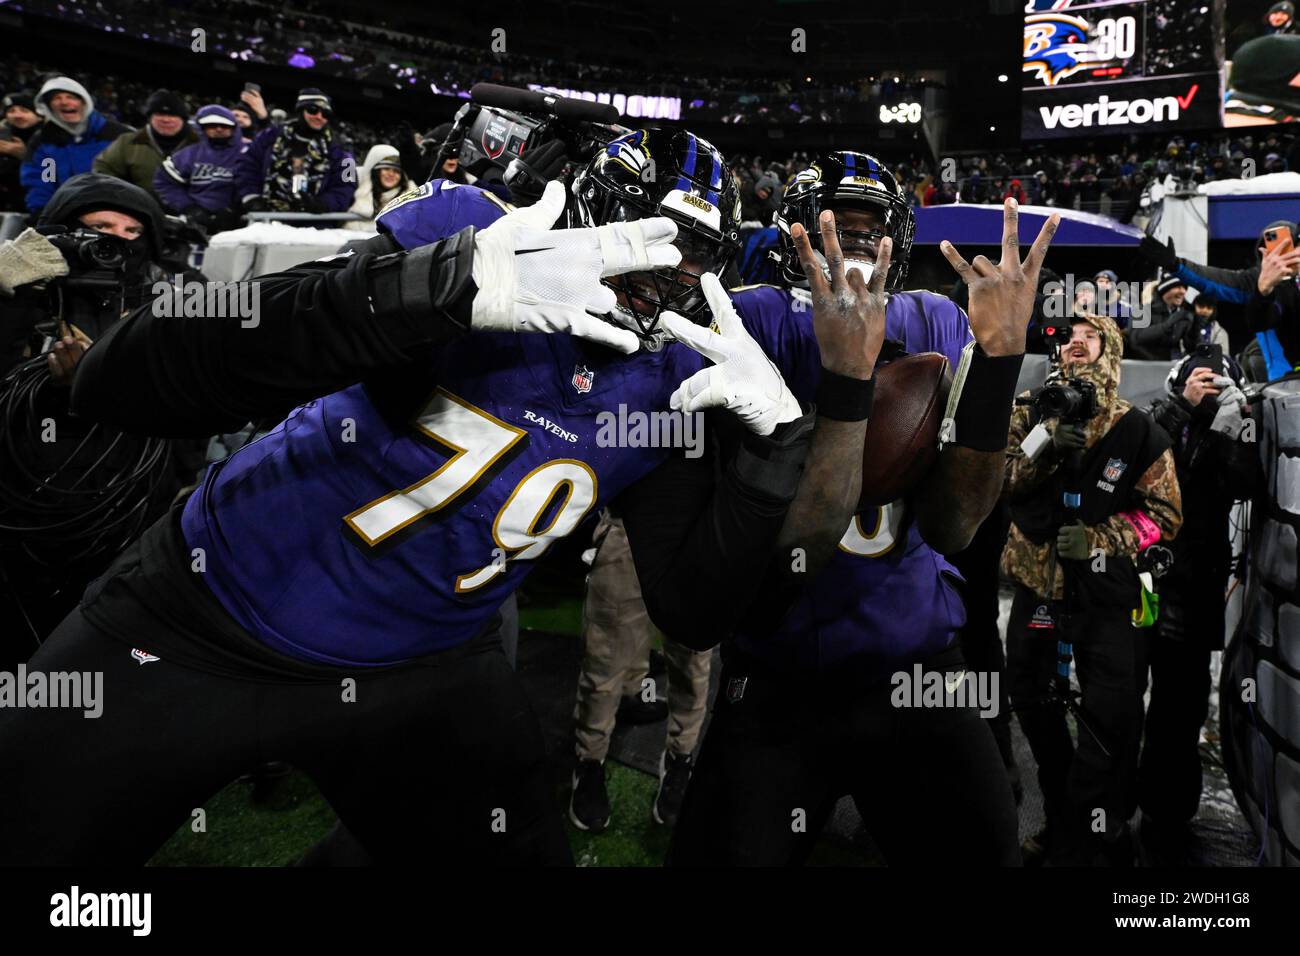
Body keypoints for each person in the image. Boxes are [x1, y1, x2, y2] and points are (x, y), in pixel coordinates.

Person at [0, 126, 868, 865]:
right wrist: (430, 292)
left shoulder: (679, 375)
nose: (664, 266)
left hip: (425, 668)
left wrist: (775, 453)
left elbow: (693, 610)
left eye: (693, 249)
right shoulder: (478, 244)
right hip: (204, 613)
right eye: (647, 231)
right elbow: (128, 377)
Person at [619, 152, 1057, 865]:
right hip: (780, 670)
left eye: (869, 231)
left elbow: (953, 527)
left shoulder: (934, 317)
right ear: (793, 233)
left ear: (899, 239)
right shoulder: (748, 317)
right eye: (834, 228)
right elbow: (798, 552)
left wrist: (1001, 357)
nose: (853, 249)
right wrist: (848, 379)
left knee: (986, 851)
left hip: (915, 664)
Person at [1004, 314, 1183, 866]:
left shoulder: (1138, 430)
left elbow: (1165, 517)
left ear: (1111, 351)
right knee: (1030, 698)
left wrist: (1103, 538)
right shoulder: (1032, 411)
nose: (1076, 342)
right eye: (1068, 337)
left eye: (1091, 335)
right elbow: (1003, 479)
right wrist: (1044, 442)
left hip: (1106, 601)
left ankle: (1091, 834)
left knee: (1111, 717)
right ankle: (1061, 814)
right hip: (1039, 592)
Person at [0, 173, 196, 666]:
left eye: (132, 232)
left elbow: (200, 400)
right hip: (28, 513)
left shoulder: (169, 300)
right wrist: (10, 292)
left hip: (130, 513)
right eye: (99, 226)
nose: (115, 242)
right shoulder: (26, 290)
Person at [1139, 350, 1256, 865]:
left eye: (1214, 382)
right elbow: (1151, 471)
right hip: (1144, 582)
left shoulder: (1233, 428)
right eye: (1196, 380)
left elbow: (1241, 485)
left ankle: (1167, 816)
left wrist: (1231, 430)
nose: (1204, 388)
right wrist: (1184, 410)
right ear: (1178, 382)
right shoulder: (1160, 415)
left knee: (1177, 710)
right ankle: (1115, 806)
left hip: (1193, 591)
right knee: (1119, 693)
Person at [569, 508, 712, 831]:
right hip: (627, 525)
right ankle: (588, 761)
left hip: (699, 535)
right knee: (603, 665)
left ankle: (680, 758)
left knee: (692, 664)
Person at [19, 76, 130, 214]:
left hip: (119, 213)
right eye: (57, 98)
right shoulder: (44, 141)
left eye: (70, 97)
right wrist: (43, 212)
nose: (64, 102)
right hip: (67, 214)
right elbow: (45, 180)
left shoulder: (119, 135)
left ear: (84, 102)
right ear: (48, 107)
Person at [235, 88, 356, 214]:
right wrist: (251, 196)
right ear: (300, 110)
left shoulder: (343, 150)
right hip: (266, 217)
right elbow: (246, 165)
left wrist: (323, 204)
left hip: (315, 224)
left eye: (325, 114)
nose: (319, 117)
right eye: (313, 110)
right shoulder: (270, 135)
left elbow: (347, 186)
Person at [154, 105, 246, 234]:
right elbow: (164, 182)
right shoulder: (188, 154)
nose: (219, 129)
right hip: (196, 224)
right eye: (212, 125)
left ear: (234, 127)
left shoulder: (249, 152)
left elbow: (258, 184)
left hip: (242, 222)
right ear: (202, 128)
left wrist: (237, 209)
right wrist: (189, 208)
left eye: (224, 125)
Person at [93, 89, 197, 195]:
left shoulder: (202, 144)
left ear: (183, 119)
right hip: (141, 209)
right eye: (159, 114)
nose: (166, 120)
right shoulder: (127, 142)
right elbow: (103, 169)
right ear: (150, 118)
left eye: (173, 115)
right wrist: (124, 197)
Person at [344, 144, 411, 231]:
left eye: (396, 171)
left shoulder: (409, 200)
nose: (391, 174)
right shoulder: (356, 191)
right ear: (376, 172)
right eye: (386, 169)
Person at [1126, 275, 1193, 360]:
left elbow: (1190, 346)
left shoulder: (1184, 312)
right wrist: (1166, 325)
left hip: (1172, 367)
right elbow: (1135, 338)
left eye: (1185, 288)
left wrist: (1195, 328)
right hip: (1144, 366)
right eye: (1178, 287)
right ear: (1165, 290)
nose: (1183, 291)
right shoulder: (1142, 309)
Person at [0, 92, 43, 212]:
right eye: (11, 111)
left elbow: (51, 176)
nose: (17, 115)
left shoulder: (51, 137)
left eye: (24, 110)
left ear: (39, 115)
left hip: (37, 207)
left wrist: (25, 156)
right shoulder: (4, 135)